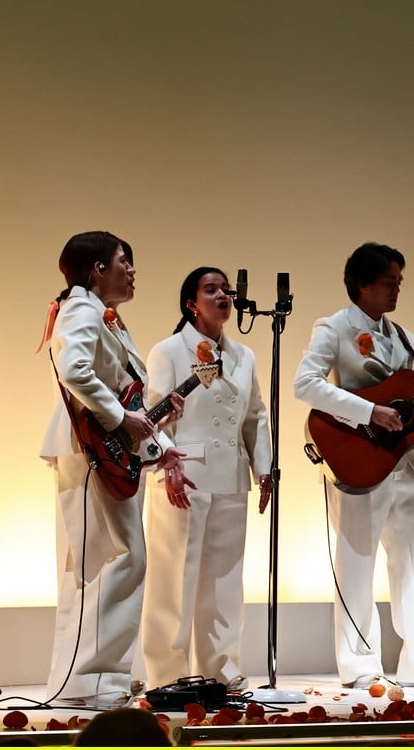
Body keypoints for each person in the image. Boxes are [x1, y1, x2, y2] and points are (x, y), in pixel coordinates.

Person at [293, 242, 414, 689]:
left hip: (407, 460)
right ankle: (360, 667)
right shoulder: (334, 327)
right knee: (356, 561)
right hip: (358, 455)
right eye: (389, 282)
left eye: (399, 281)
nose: (397, 289)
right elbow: (306, 384)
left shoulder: (404, 336)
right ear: (363, 285)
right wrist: (367, 412)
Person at [38, 231, 190, 707]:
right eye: (125, 260)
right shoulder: (81, 308)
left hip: (105, 449)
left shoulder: (106, 317)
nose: (133, 270)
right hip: (89, 448)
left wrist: (159, 441)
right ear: (97, 268)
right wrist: (124, 418)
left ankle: (87, 680)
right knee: (115, 559)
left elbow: (128, 398)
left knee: (100, 562)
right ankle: (93, 680)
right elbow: (75, 369)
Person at [141, 267, 273, 692]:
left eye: (226, 291)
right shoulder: (168, 351)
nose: (223, 297)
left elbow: (255, 414)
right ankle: (168, 673)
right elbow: (154, 414)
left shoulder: (244, 355)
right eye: (211, 289)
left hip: (231, 474)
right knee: (174, 577)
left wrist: (264, 467)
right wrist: (166, 462)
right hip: (184, 473)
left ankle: (221, 667)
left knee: (225, 580)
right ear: (190, 303)